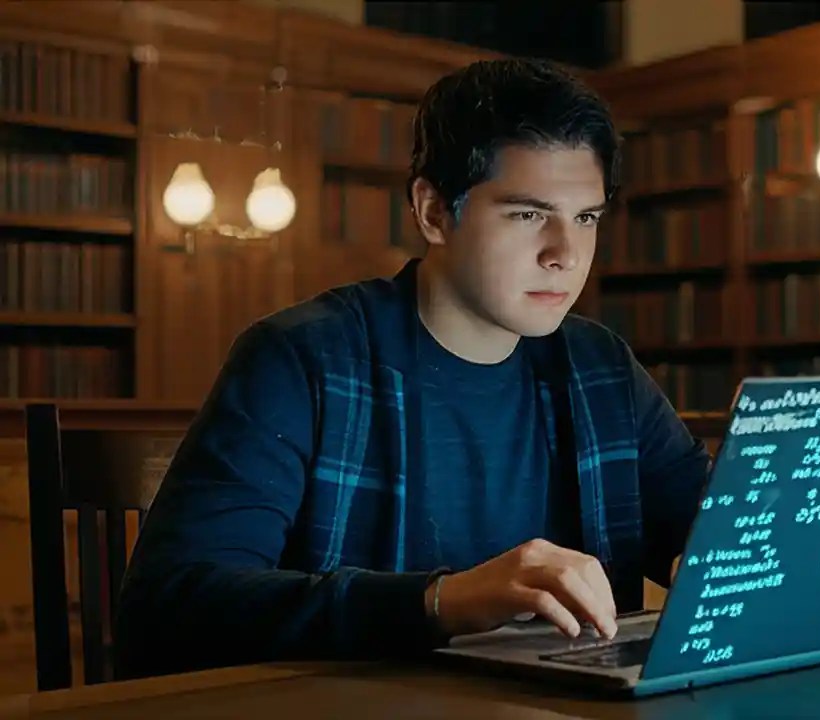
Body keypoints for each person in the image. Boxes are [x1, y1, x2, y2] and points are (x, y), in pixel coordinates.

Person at [114, 57, 710, 679]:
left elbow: (715, 534)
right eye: (528, 214)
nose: (566, 253)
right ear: (432, 212)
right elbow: (166, 612)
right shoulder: (302, 359)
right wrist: (440, 601)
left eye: (585, 217)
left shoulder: (602, 369)